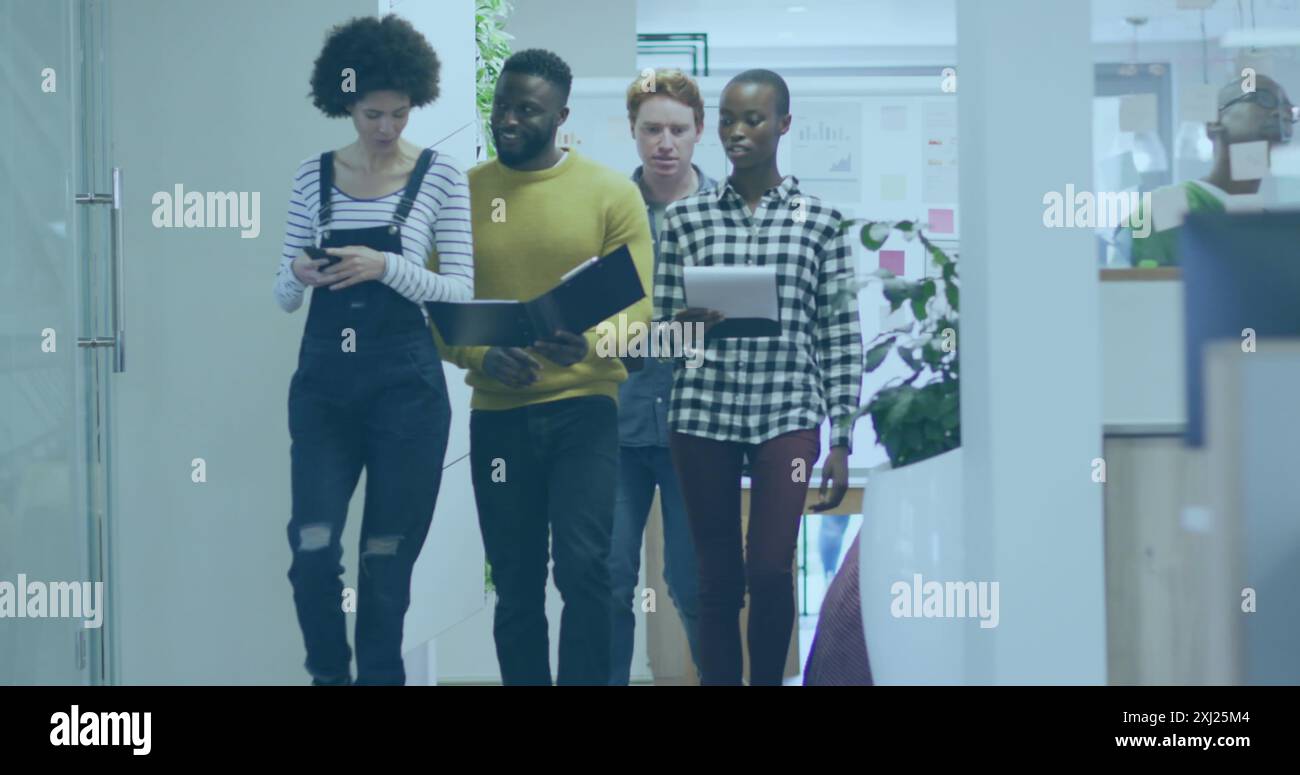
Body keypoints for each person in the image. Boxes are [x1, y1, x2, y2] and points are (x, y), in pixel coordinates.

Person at [433, 49, 655, 685]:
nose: (507, 119)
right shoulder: (462, 195)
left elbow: (638, 312)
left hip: (584, 412)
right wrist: (480, 355)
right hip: (498, 417)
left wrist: (588, 345)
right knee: (515, 578)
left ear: (560, 115)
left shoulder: (611, 194)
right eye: (501, 105)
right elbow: (434, 311)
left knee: (587, 570)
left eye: (524, 110)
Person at [274, 15, 473, 685]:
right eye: (370, 113)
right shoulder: (313, 175)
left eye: (398, 112)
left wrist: (383, 266)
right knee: (313, 548)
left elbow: (459, 291)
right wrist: (298, 274)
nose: (386, 127)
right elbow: (281, 289)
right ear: (344, 101)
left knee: (385, 567)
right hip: (325, 390)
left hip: (407, 392)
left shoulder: (441, 176)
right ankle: (330, 675)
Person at [654, 69, 864, 685]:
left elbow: (838, 333)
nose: (737, 132)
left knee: (771, 570)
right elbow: (661, 341)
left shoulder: (821, 221)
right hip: (702, 414)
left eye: (753, 119)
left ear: (784, 125)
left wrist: (844, 436)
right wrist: (686, 326)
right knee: (715, 578)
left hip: (788, 414)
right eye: (727, 119)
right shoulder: (684, 220)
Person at [607, 68, 717, 685]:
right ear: (633, 132)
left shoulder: (732, 218)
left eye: (678, 128)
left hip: (696, 432)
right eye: (652, 129)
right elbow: (590, 327)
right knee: (608, 579)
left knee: (696, 582)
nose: (665, 143)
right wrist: (677, 332)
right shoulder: (605, 214)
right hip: (615, 430)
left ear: (699, 131)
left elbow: (747, 332)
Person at [1124, 72, 1295, 267]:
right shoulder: (1166, 206)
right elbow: (1141, 290)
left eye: (1287, 109)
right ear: (1213, 123)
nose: (1279, 113)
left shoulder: (1269, 227)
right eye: (1262, 98)